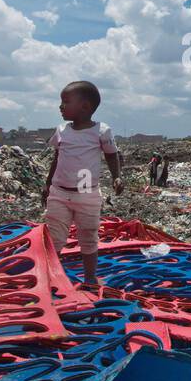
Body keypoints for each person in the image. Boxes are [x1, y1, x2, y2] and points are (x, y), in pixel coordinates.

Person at [42, 81, 123, 288]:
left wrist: (117, 177)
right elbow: (57, 157)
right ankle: (52, 278)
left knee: (88, 236)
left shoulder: (101, 131)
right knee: (55, 238)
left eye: (66, 102)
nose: (60, 106)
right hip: (59, 193)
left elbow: (112, 156)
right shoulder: (61, 130)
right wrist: (47, 184)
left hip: (87, 194)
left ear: (85, 107)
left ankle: (89, 278)